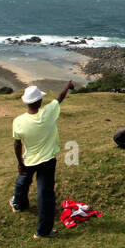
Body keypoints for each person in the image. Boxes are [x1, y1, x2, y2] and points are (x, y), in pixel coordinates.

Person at [12, 81, 75, 238]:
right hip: (47, 160)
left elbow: (17, 144)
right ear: (39, 101)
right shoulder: (48, 112)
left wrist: (20, 163)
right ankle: (43, 231)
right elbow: (60, 98)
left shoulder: (18, 121)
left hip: (28, 160)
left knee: (23, 181)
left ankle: (18, 204)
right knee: (45, 194)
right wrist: (67, 86)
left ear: (26, 102)